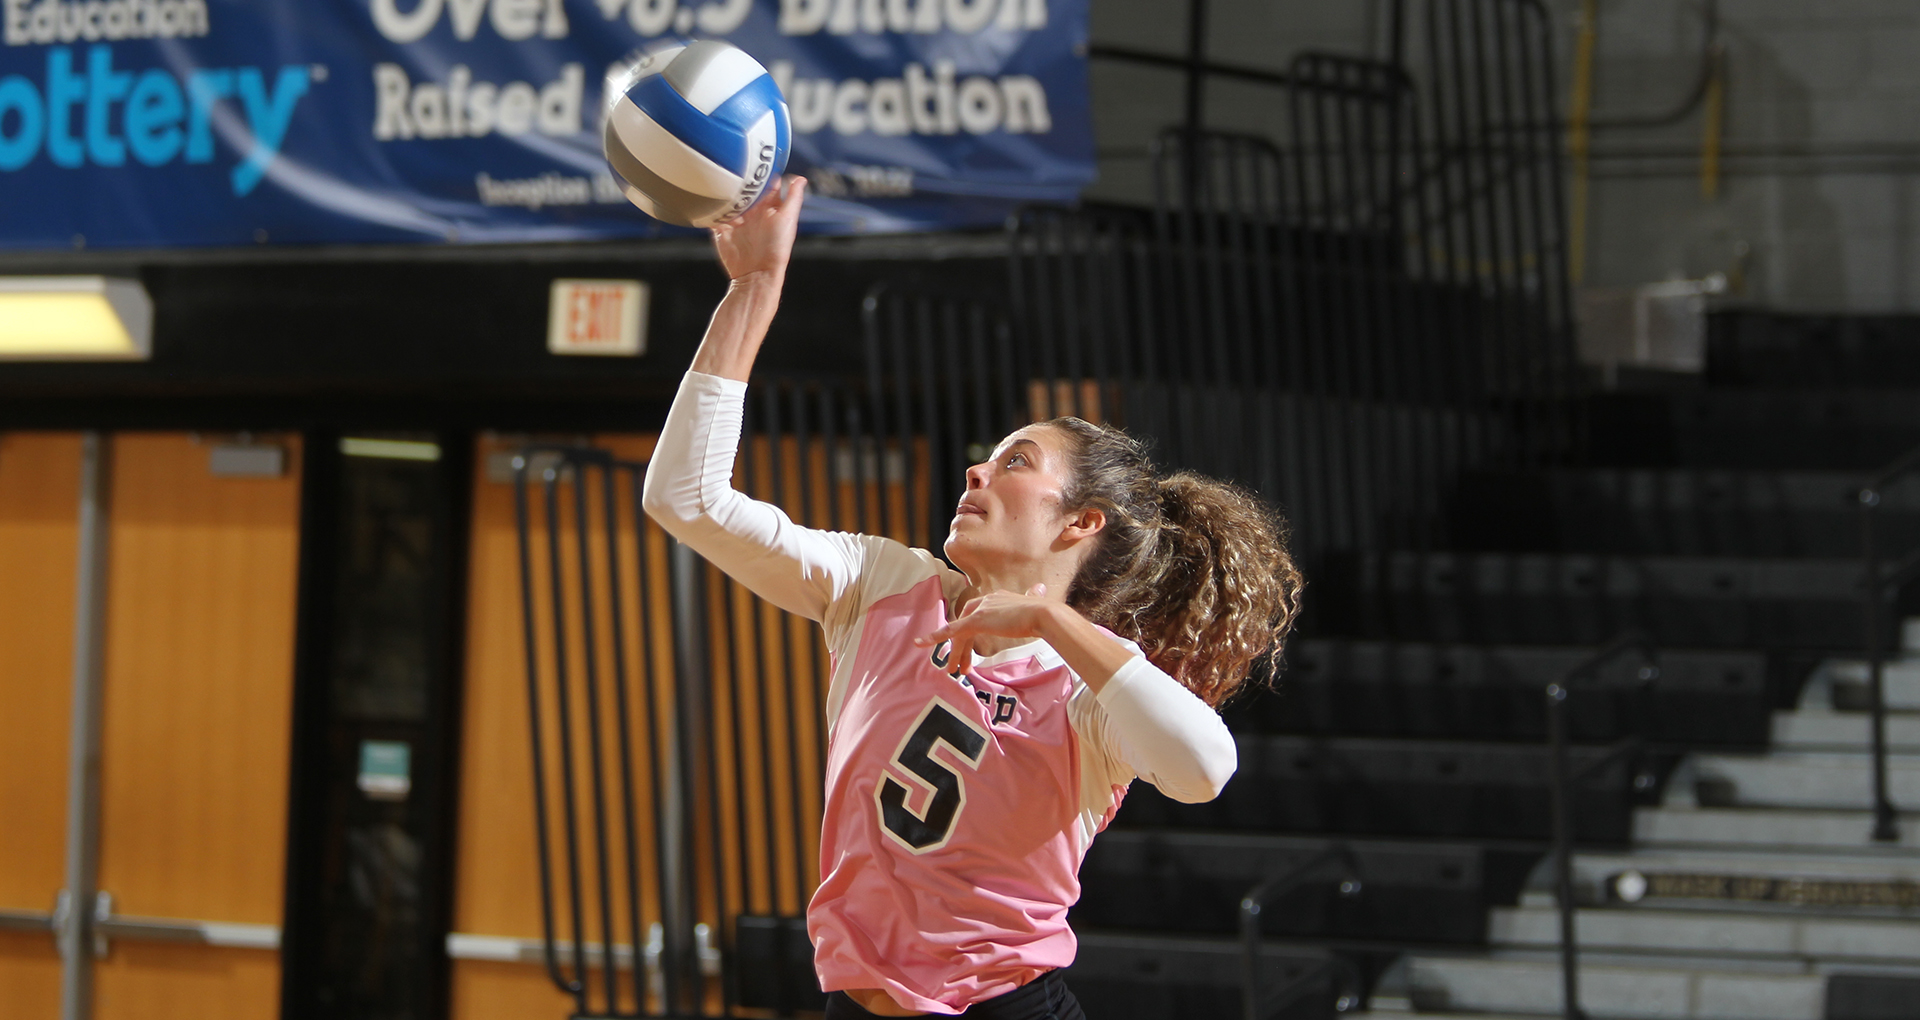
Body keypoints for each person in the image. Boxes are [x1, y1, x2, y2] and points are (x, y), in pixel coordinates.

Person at [641, 177, 1305, 1019]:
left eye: (1017, 461)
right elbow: (686, 500)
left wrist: (1049, 621)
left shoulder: (1088, 690)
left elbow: (1206, 769)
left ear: (1081, 524)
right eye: (986, 455)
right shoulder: (888, 585)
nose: (977, 470)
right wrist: (752, 289)